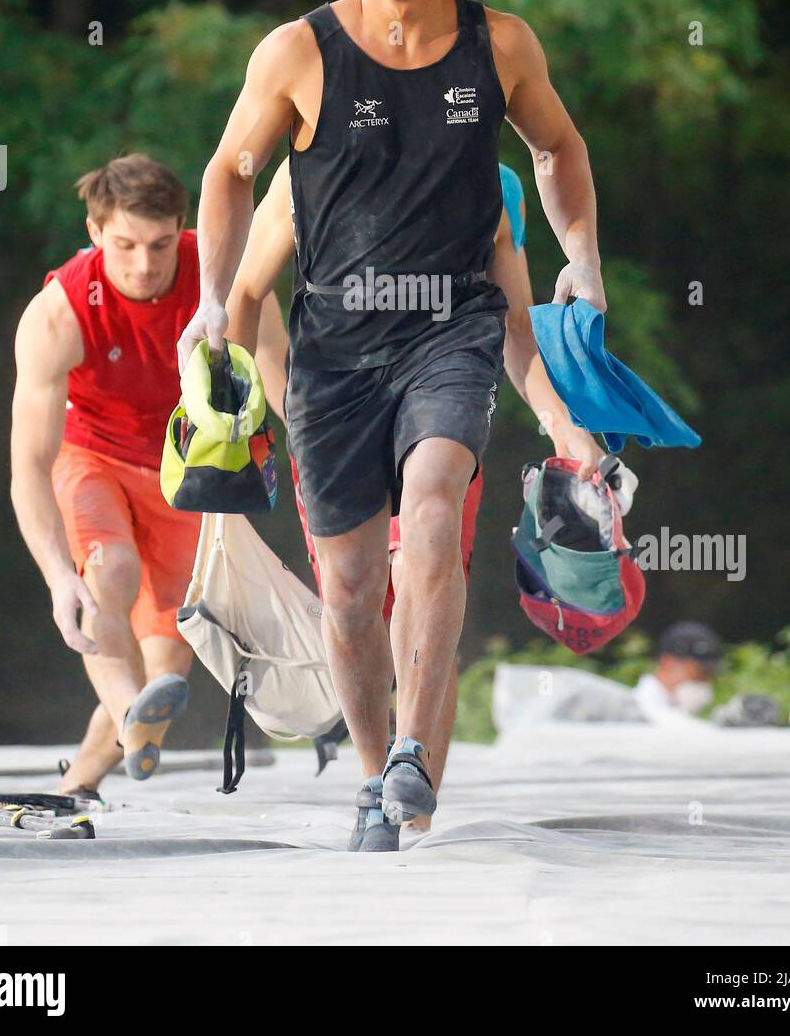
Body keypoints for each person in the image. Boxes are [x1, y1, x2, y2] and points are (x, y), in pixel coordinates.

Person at [179, 0, 607, 850]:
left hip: (449, 329)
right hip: (332, 349)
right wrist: (211, 313)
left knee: (431, 502)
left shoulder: (497, 44)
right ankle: (376, 778)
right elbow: (229, 175)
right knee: (349, 589)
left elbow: (557, 147)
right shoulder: (296, 51)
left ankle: (416, 746)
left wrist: (581, 266)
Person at [225, 153, 606, 842]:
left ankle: (413, 780)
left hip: (441, 396)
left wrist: (562, 426)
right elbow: (247, 297)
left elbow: (515, 323)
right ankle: (375, 785)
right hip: (333, 402)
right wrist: (254, 412)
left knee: (421, 572)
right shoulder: (303, 173)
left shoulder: (494, 187)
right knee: (354, 601)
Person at [10, 155, 202, 794]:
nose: (144, 265)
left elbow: (281, 378)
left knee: (170, 667)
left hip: (184, 464)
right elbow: (28, 468)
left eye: (160, 244)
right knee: (109, 572)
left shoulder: (220, 273)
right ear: (95, 233)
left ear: (183, 227)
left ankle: (81, 781)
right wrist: (59, 576)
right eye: (124, 245)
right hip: (91, 453)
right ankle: (126, 713)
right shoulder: (57, 311)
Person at [633, 622, 721, 719]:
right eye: (697, 675)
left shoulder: (672, 708)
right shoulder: (637, 708)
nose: (704, 683)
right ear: (668, 662)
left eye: (708, 676)